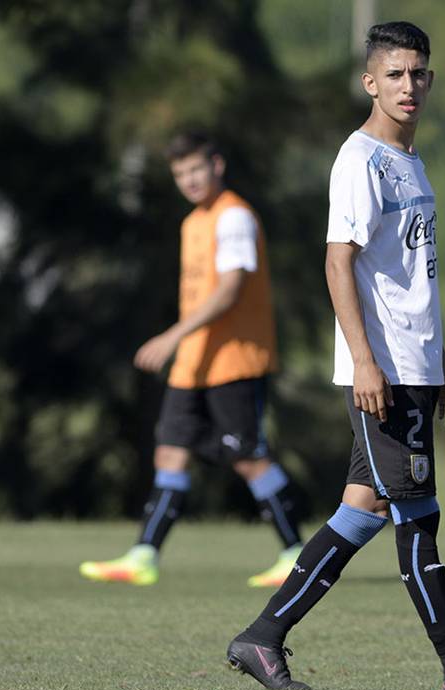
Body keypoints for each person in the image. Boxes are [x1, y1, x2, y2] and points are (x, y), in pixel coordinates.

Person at [224, 21, 445, 690]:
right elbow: (338, 263)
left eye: (419, 73)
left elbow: (408, 282)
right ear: (370, 82)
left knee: (364, 508)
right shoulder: (361, 160)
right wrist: (364, 362)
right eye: (395, 74)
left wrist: (443, 366)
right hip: (384, 371)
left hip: (414, 366)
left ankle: (262, 638)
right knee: (418, 515)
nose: (409, 86)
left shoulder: (410, 160)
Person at [79, 131, 307, 589]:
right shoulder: (193, 222)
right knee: (170, 451)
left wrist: (172, 336)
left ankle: (295, 554)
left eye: (196, 169)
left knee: (248, 458)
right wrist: (181, 344)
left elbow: (229, 290)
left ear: (217, 165)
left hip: (234, 361)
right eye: (180, 173)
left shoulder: (234, 217)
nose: (190, 180)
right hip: (193, 363)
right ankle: (144, 555)